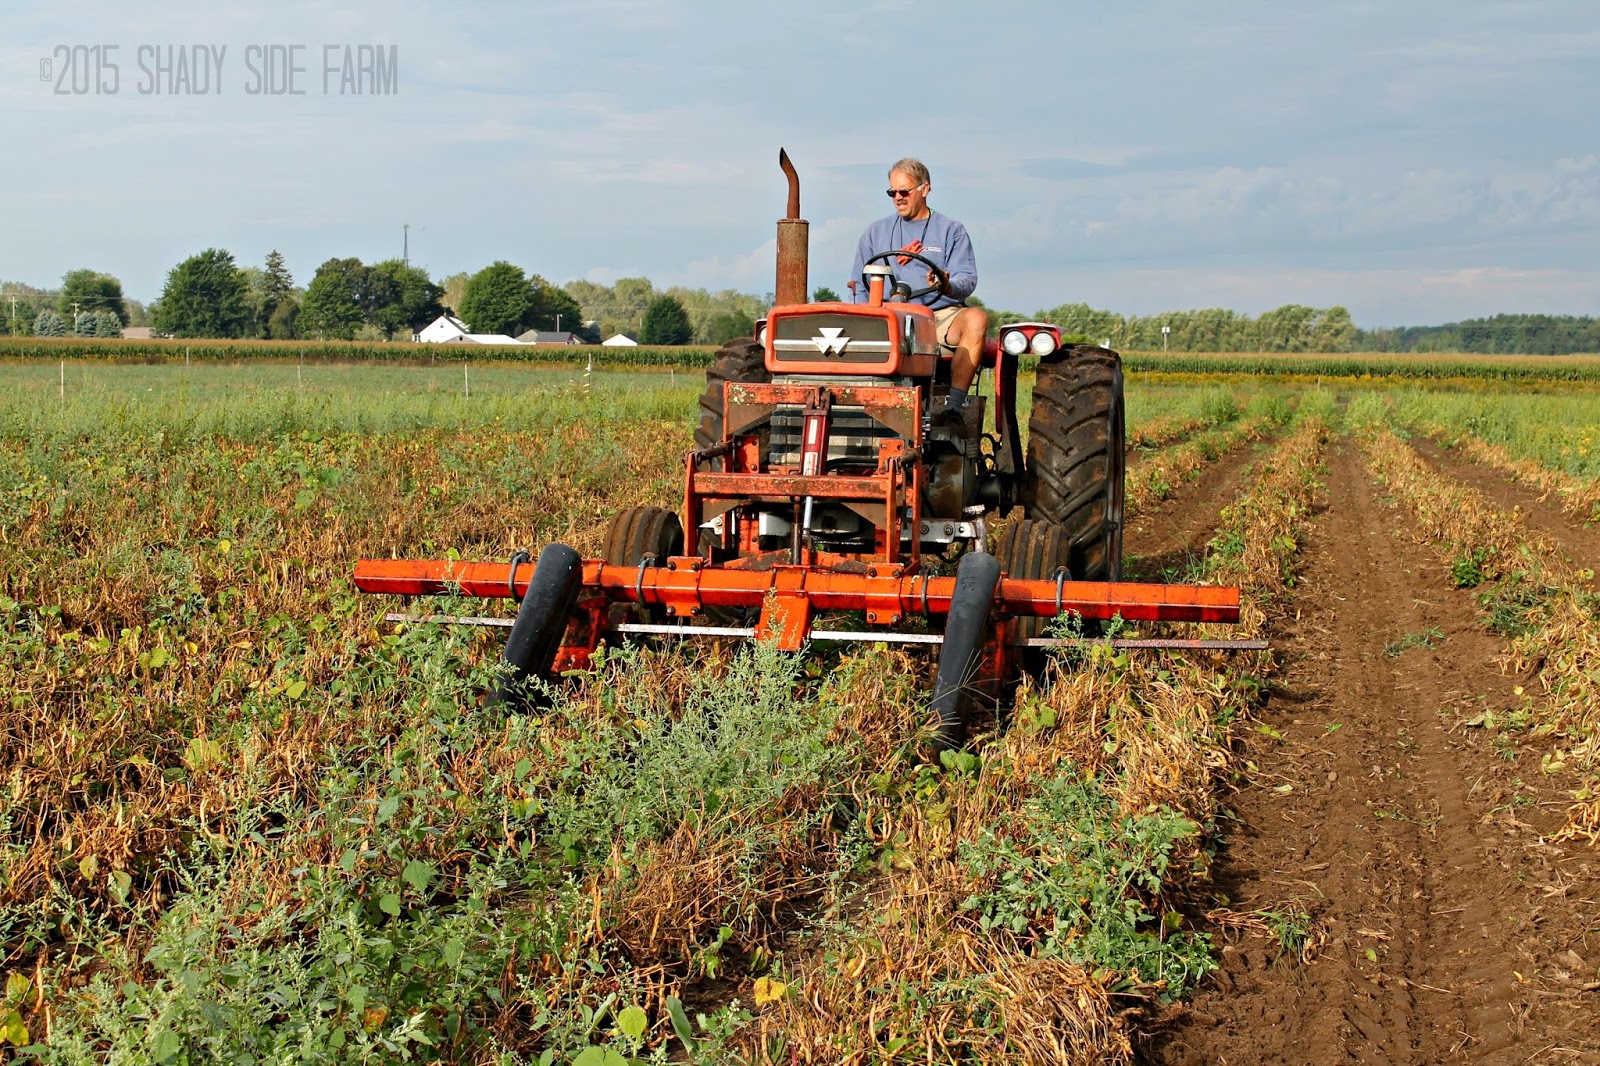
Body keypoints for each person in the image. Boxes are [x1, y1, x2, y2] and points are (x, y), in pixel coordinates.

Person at [849, 157, 986, 428]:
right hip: (887, 316)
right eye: (892, 192)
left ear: (925, 189)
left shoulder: (950, 231)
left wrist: (946, 284)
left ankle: (953, 407)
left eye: (904, 191)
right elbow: (858, 284)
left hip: (937, 316)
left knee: (976, 319)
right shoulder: (875, 232)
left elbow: (967, 279)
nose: (898, 198)